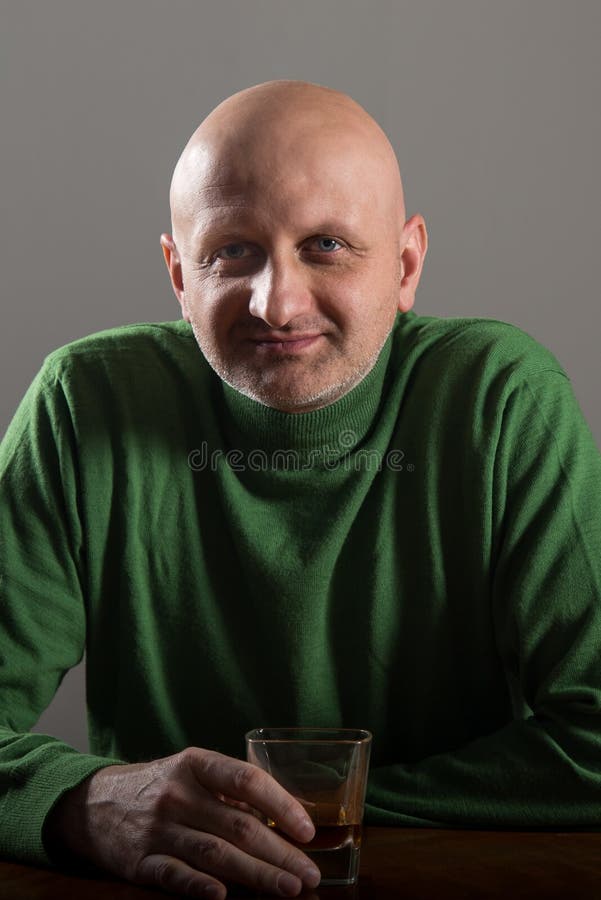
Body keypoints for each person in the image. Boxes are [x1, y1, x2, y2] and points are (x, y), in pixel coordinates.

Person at [1, 78, 600, 899]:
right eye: (231, 251)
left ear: (405, 263)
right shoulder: (84, 403)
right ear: (179, 275)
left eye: (324, 245)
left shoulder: (499, 399)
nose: (275, 303)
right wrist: (81, 802)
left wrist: (290, 814)